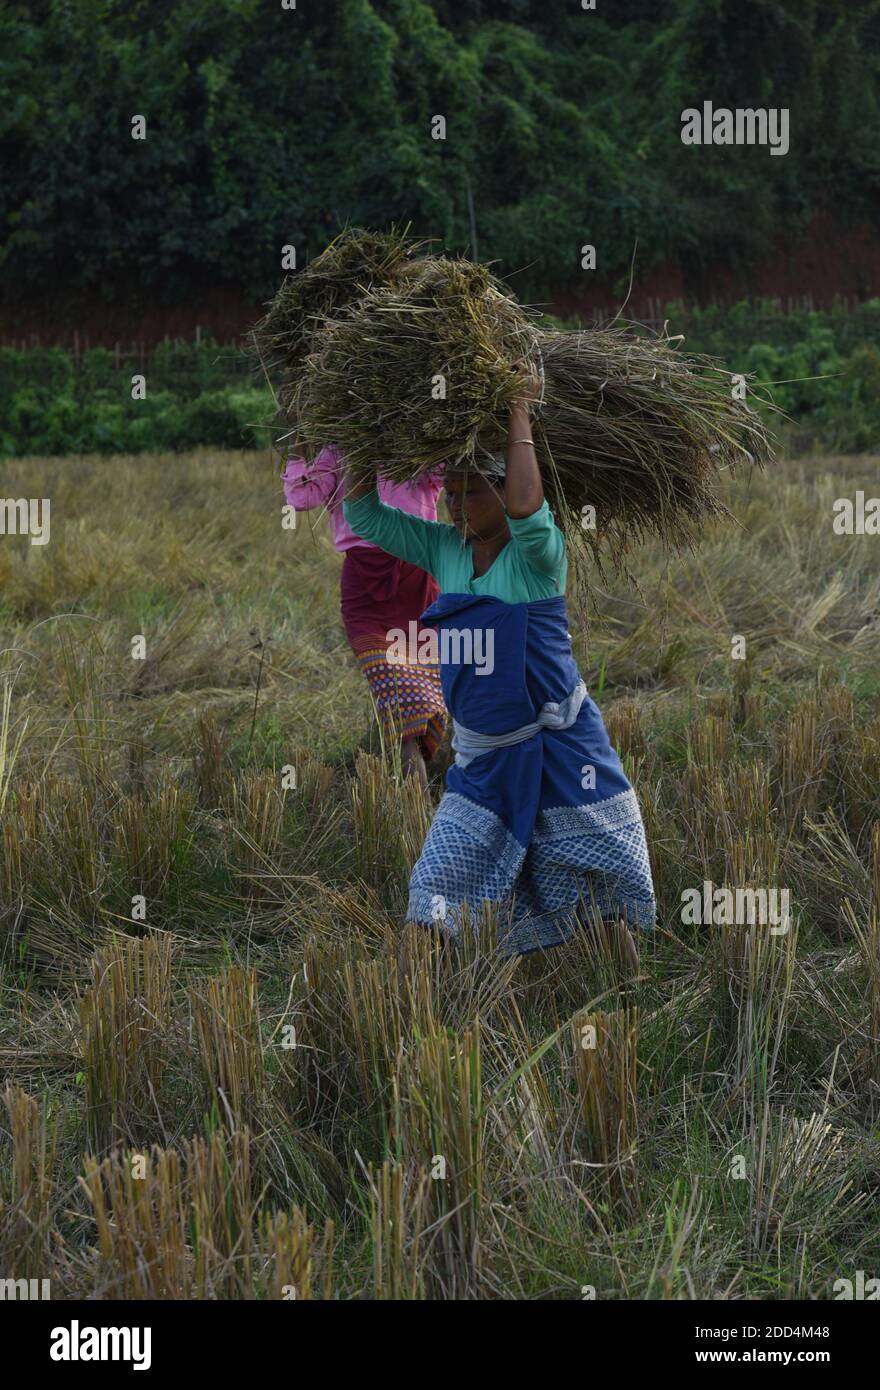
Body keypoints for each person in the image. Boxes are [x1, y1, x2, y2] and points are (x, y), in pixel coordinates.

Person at [341, 373, 656, 960]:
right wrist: (360, 431)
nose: (456, 506)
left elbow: (527, 509)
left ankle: (622, 1002)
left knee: (602, 897)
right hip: (483, 761)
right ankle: (420, 1016)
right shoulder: (444, 550)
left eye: (471, 492)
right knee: (435, 890)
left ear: (501, 488)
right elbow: (364, 515)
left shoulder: (539, 556)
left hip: (565, 753)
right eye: (450, 493)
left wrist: (517, 412)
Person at [283, 443, 446, 786]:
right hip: (364, 584)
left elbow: (449, 472)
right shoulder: (339, 451)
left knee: (422, 679)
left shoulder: (414, 447)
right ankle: (411, 784)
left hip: (416, 573)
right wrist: (297, 444)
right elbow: (301, 498)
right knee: (389, 677)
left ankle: (419, 761)